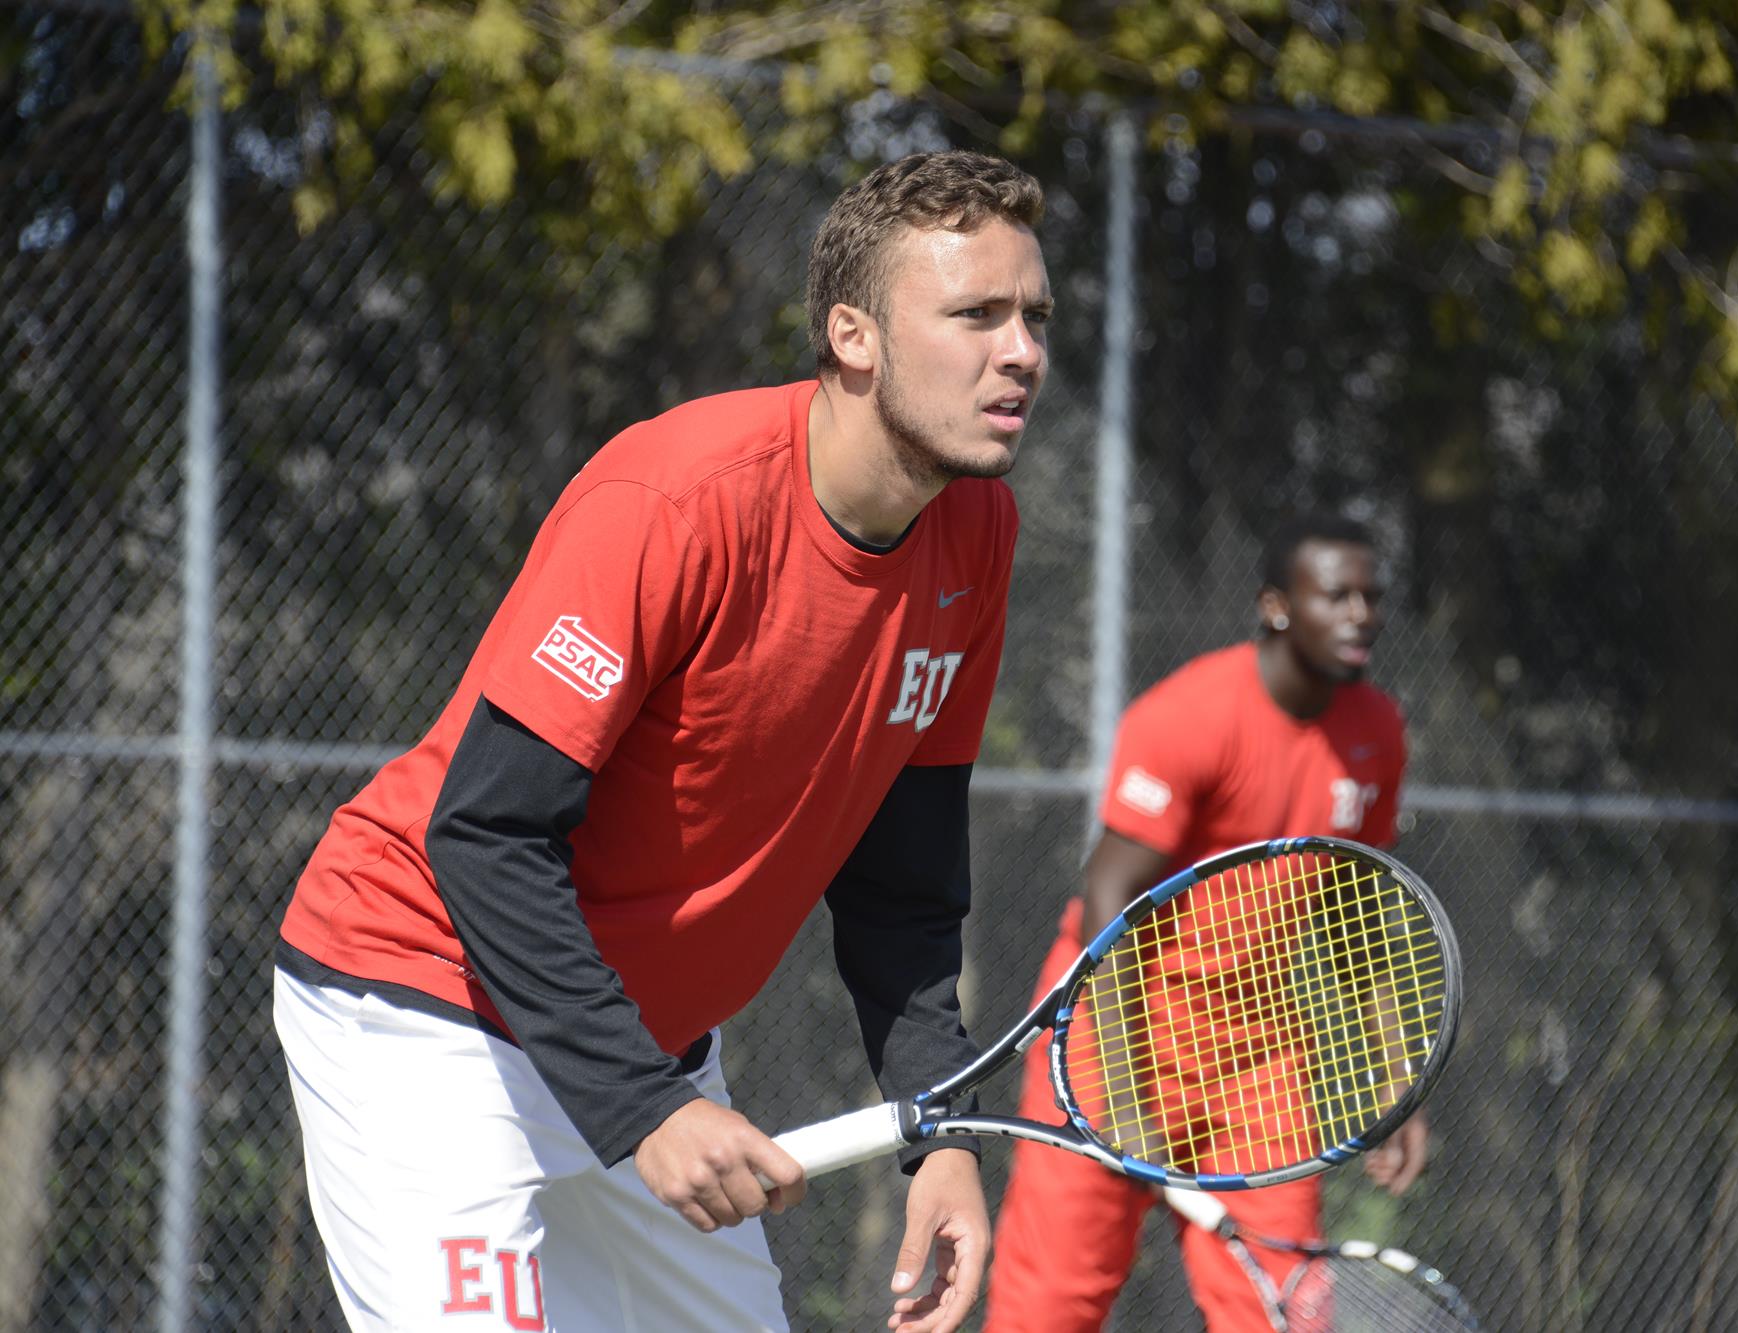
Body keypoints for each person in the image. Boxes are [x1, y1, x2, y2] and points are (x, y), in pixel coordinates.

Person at [271, 150, 1054, 1333]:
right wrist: (641, 1107)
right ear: (852, 336)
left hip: (650, 1053)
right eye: (974, 314)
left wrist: (933, 1134)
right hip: (426, 1009)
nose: (1022, 352)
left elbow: (902, 889)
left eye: (1034, 315)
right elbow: (482, 835)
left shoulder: (975, 533)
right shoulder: (675, 499)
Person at [982, 513, 1424, 1332]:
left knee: (1279, 1309)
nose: (1361, 612)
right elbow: (1106, 895)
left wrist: (1395, 1072)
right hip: (1114, 1032)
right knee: (1045, 1310)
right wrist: (1121, 1093)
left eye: (1372, 595)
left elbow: (1350, 907)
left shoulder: (1376, 733)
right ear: (1277, 606)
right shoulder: (1191, 714)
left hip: (1257, 1056)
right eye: (1337, 594)